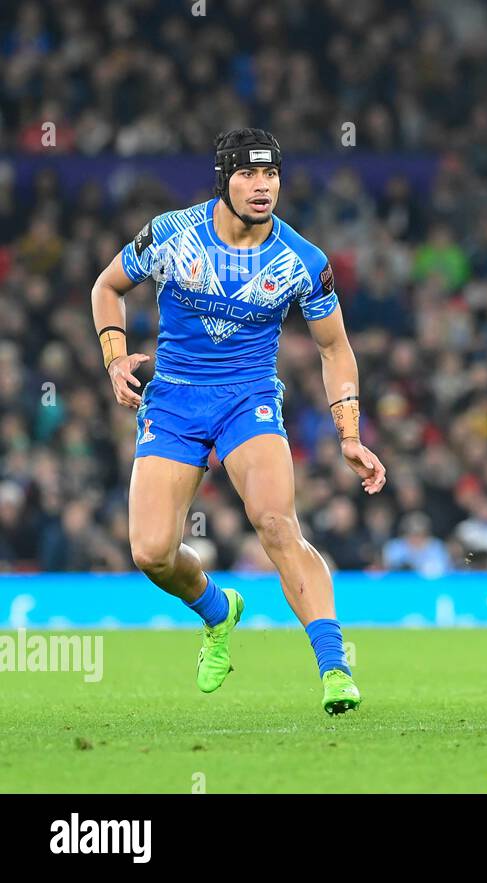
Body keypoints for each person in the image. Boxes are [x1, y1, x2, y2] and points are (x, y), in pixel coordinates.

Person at [90, 128, 386, 715]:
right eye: (249, 175)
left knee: (277, 522)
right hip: (173, 401)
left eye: (271, 174)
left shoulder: (303, 260)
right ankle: (217, 611)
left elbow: (335, 349)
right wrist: (115, 355)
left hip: (248, 399)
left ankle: (334, 667)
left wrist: (349, 435)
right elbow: (108, 286)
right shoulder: (173, 234)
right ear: (224, 179)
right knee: (151, 552)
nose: (262, 187)